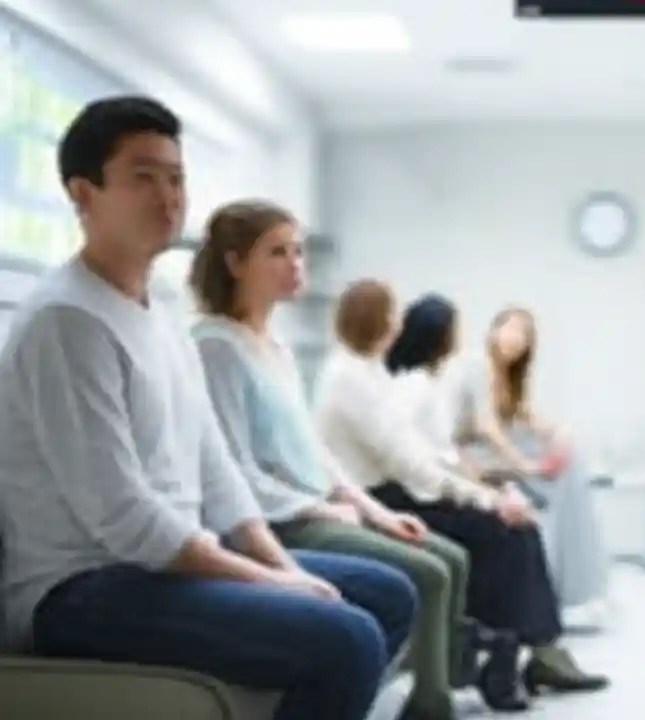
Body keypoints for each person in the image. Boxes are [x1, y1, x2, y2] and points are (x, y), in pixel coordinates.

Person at [0, 96, 417, 720]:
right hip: (84, 588)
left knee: (388, 592)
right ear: (83, 194)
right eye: (143, 178)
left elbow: (214, 464)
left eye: (177, 177)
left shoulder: (161, 310)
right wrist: (274, 583)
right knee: (345, 638)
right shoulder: (68, 321)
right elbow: (124, 518)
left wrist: (276, 562)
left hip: (162, 569)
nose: (168, 197)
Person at [187, 201, 473, 720]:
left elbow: (313, 449)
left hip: (310, 507)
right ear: (234, 263)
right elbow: (228, 473)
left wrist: (373, 510)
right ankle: (429, 706)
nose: (296, 264)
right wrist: (320, 510)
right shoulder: (215, 348)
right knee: (426, 574)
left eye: (298, 251)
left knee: (442, 556)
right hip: (271, 522)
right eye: (278, 252)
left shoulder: (276, 345)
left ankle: (416, 698)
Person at [321, 285, 609, 697]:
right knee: (509, 535)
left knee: (514, 530)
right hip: (390, 498)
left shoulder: (381, 377)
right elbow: (413, 463)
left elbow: (434, 456)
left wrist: (488, 488)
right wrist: (488, 495)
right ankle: (510, 658)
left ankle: (519, 656)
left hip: (404, 490)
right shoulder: (390, 383)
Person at [452, 307, 610, 612]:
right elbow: (487, 427)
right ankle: (554, 584)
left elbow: (528, 415)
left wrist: (561, 432)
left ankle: (567, 581)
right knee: (554, 476)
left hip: (488, 451)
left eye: (524, 334)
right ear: (493, 331)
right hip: (465, 455)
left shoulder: (511, 375)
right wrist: (521, 464)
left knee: (572, 463)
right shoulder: (477, 365)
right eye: (510, 328)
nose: (515, 338)